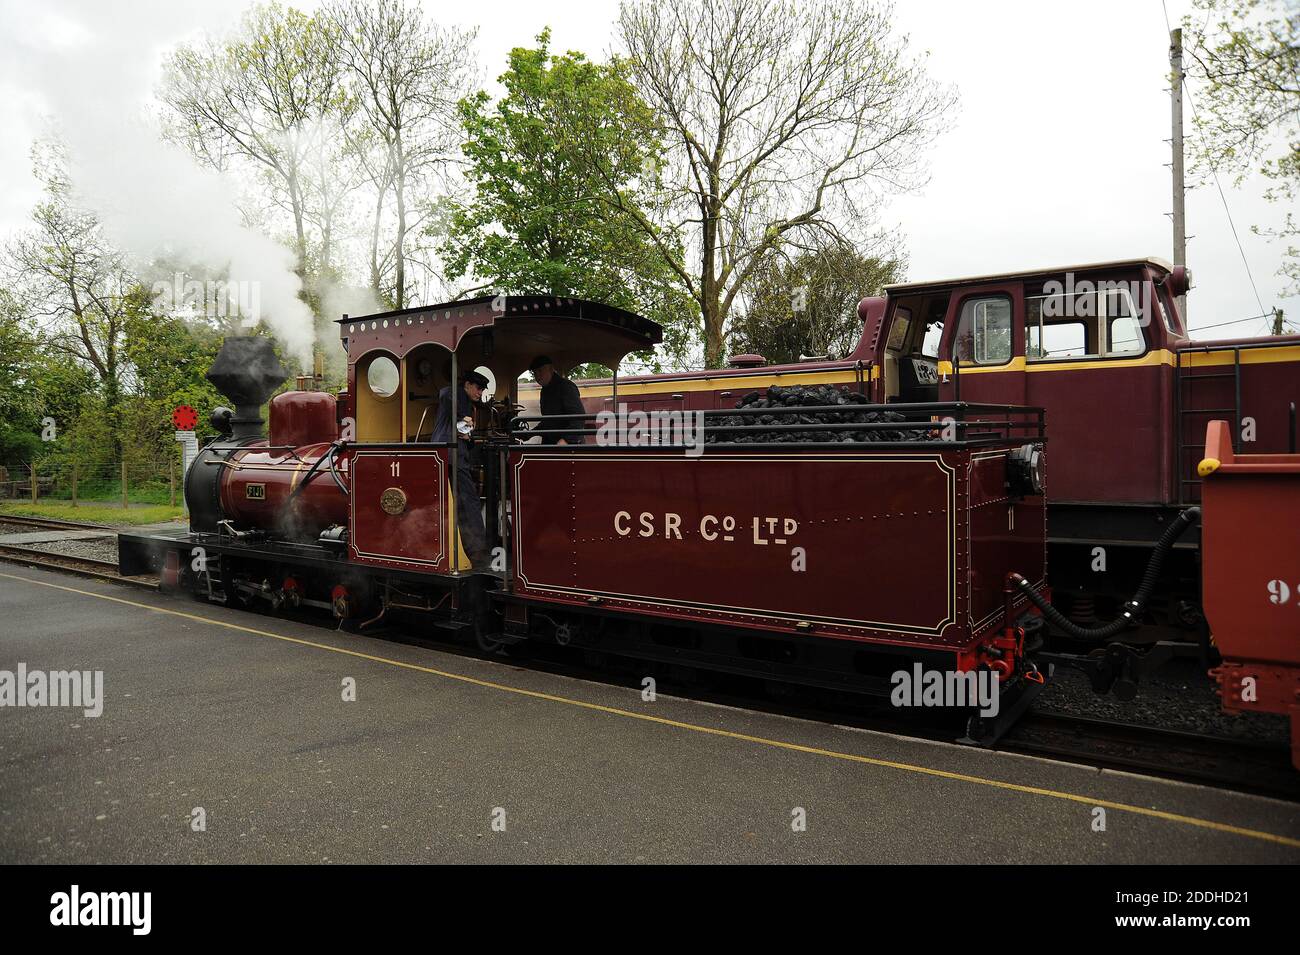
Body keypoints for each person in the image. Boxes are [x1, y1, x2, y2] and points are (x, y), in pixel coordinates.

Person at [432, 371, 490, 569]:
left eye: (482, 390)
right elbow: (445, 393)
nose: (480, 393)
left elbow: (464, 432)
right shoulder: (455, 394)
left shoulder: (466, 402)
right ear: (467, 385)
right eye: (478, 388)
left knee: (464, 504)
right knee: (468, 503)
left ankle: (470, 550)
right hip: (450, 456)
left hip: (454, 456)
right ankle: (478, 554)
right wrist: (461, 417)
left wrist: (468, 434)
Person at [528, 355, 585, 445]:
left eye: (540, 371)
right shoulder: (544, 391)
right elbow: (548, 422)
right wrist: (527, 434)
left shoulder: (566, 387)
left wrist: (566, 439)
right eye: (535, 373)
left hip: (568, 446)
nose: (537, 376)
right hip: (551, 442)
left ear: (551, 369)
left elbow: (578, 417)